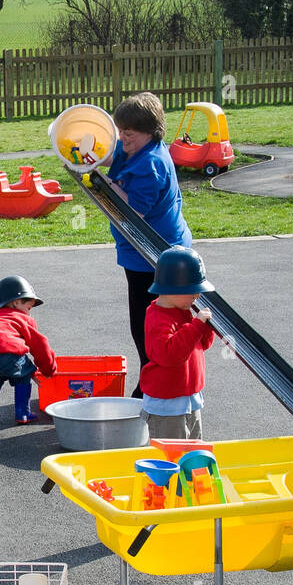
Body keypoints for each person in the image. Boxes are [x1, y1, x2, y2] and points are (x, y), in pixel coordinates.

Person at [107, 92, 193, 398]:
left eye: (128, 134)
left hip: (155, 255)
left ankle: (152, 387)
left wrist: (105, 184)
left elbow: (135, 212)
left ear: (149, 131)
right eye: (120, 132)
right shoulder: (135, 150)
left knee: (149, 326)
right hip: (140, 253)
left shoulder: (151, 164)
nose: (122, 139)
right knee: (143, 323)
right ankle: (152, 381)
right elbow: (111, 153)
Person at [140, 247, 215, 439]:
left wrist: (207, 327)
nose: (197, 296)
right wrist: (197, 325)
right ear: (173, 288)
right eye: (192, 291)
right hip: (167, 408)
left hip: (190, 400)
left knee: (194, 455)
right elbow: (169, 354)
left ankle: (191, 471)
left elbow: (200, 345)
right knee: (171, 459)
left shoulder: (184, 310)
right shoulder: (158, 318)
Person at [0, 276, 58, 426]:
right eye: (28, 308)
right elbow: (40, 345)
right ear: (16, 302)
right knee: (24, 374)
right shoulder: (23, 318)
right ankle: (23, 413)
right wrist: (48, 369)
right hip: (5, 353)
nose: (29, 313)